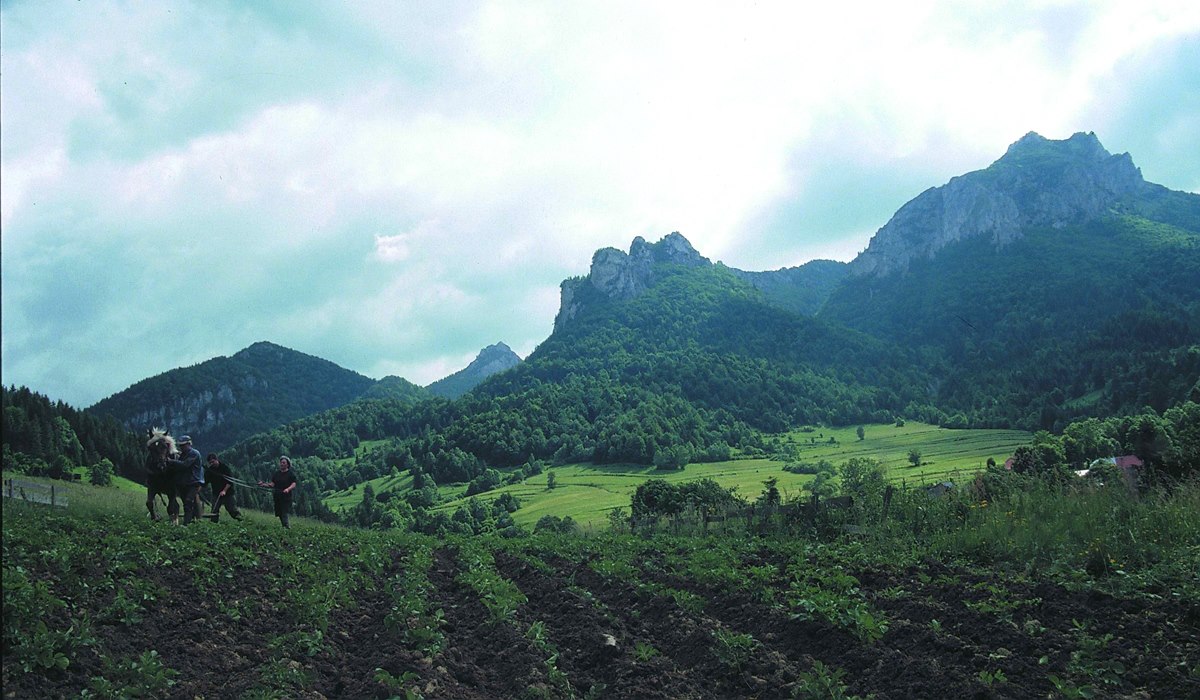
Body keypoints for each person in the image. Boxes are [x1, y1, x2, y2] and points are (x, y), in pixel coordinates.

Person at [166, 435, 205, 525]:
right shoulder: (183, 454)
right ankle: (192, 521)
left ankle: (186, 524)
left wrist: (171, 461)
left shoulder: (194, 453)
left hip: (194, 482)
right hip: (184, 483)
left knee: (188, 501)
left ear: (189, 444)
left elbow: (185, 465)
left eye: (183, 445)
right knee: (186, 503)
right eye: (180, 445)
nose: (182, 447)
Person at [144, 429, 178, 521]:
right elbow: (147, 468)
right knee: (149, 502)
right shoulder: (150, 459)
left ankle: (172, 516)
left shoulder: (172, 457)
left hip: (170, 481)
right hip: (155, 479)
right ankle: (153, 516)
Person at [259, 456, 298, 528]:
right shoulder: (276, 474)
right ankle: (284, 526)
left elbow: (294, 484)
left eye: (283, 463)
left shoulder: (290, 474)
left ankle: (287, 527)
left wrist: (288, 489)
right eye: (281, 463)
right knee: (279, 513)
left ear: (287, 465)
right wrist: (263, 484)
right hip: (277, 497)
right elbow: (272, 484)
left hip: (286, 497)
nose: (281, 464)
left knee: (284, 512)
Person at [203, 453, 242, 523]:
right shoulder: (209, 471)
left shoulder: (224, 468)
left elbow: (230, 482)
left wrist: (224, 491)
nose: (212, 463)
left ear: (216, 460)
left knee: (231, 509)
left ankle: (241, 521)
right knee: (214, 510)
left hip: (228, 493)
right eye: (210, 463)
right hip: (216, 493)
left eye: (213, 461)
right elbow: (205, 482)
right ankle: (213, 525)